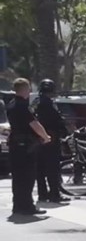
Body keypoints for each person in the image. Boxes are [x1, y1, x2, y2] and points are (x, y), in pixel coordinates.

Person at [7, 78, 52, 216]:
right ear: (24, 89)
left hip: (15, 144)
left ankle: (18, 205)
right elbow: (34, 124)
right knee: (27, 177)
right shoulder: (22, 106)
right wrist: (45, 136)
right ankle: (27, 206)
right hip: (25, 145)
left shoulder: (11, 104)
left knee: (18, 177)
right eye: (28, 88)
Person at [33, 79, 69, 204]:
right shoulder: (49, 104)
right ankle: (54, 194)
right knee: (52, 169)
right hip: (51, 139)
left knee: (40, 169)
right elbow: (57, 120)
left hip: (38, 140)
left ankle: (42, 194)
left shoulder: (35, 103)